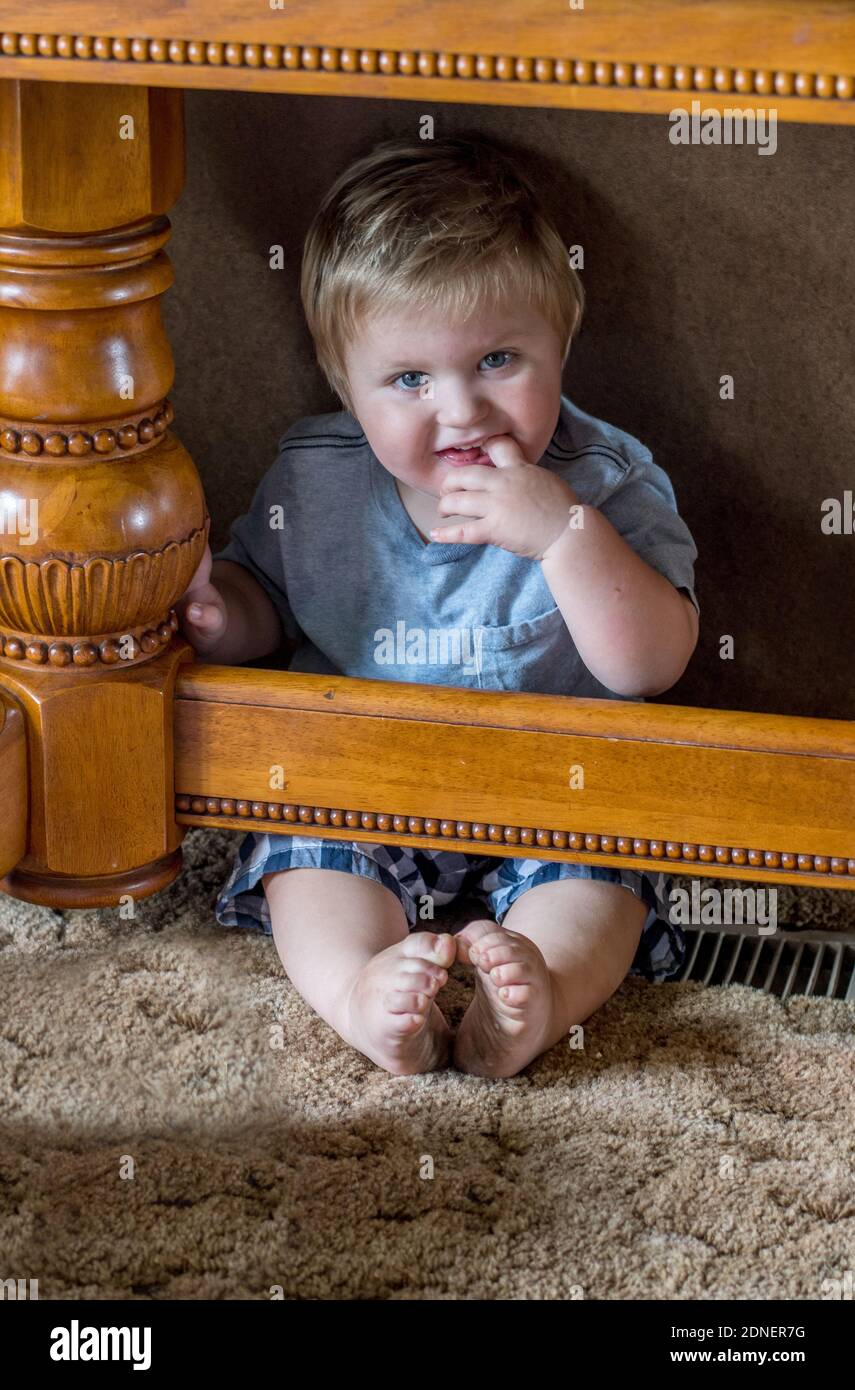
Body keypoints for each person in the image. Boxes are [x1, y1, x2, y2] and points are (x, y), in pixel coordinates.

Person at [176, 136, 700, 1079]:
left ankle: (536, 998)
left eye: (498, 358)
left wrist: (563, 537)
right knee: (309, 856)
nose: (460, 410)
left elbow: (651, 663)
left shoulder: (606, 482)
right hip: (366, 780)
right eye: (409, 379)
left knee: (599, 886)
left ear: (561, 339)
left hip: (558, 789)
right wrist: (225, 614)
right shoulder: (316, 477)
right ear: (346, 384)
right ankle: (361, 994)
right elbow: (272, 596)